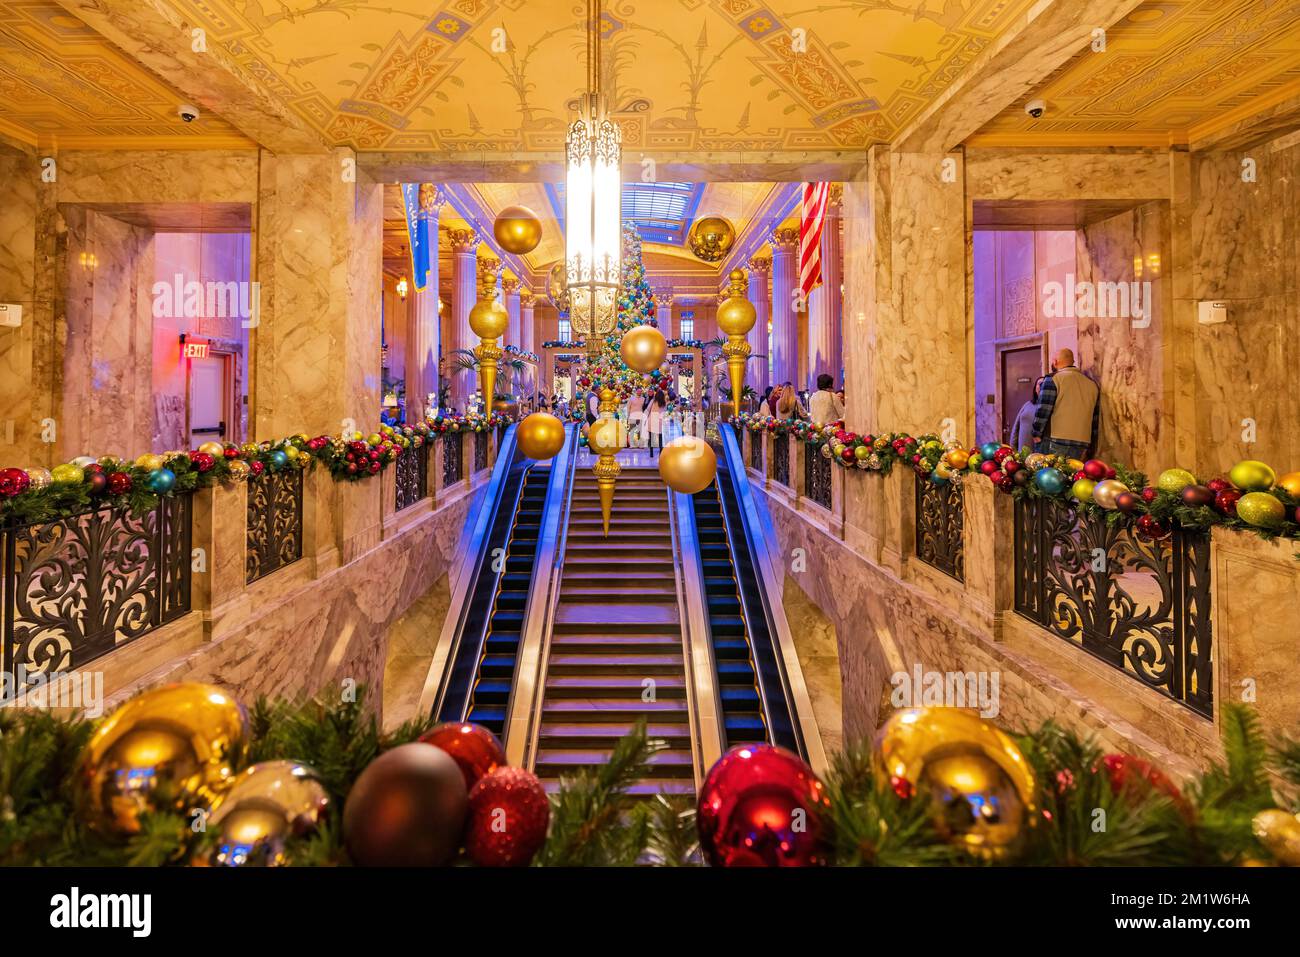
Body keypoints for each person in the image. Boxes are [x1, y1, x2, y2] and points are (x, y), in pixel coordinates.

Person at [1032, 348, 1099, 460]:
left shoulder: (1052, 379)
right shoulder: (1092, 384)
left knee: (1046, 475)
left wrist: (1036, 434)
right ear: (1072, 362)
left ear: (1055, 361)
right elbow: (1095, 418)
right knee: (1072, 476)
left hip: (1054, 440)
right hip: (1082, 443)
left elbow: (1043, 410)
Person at [1009, 376, 1046, 451]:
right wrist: (1013, 446)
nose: (1041, 386)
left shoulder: (1050, 407)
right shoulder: (1027, 405)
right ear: (1035, 389)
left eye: (1044, 384)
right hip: (1023, 450)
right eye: (1039, 384)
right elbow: (1016, 426)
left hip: (1040, 452)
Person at [646, 390, 666, 456]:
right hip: (659, 421)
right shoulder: (663, 403)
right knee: (660, 437)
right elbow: (664, 412)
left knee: (651, 437)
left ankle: (651, 453)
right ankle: (661, 452)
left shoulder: (653, 401)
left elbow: (648, 409)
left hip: (652, 420)